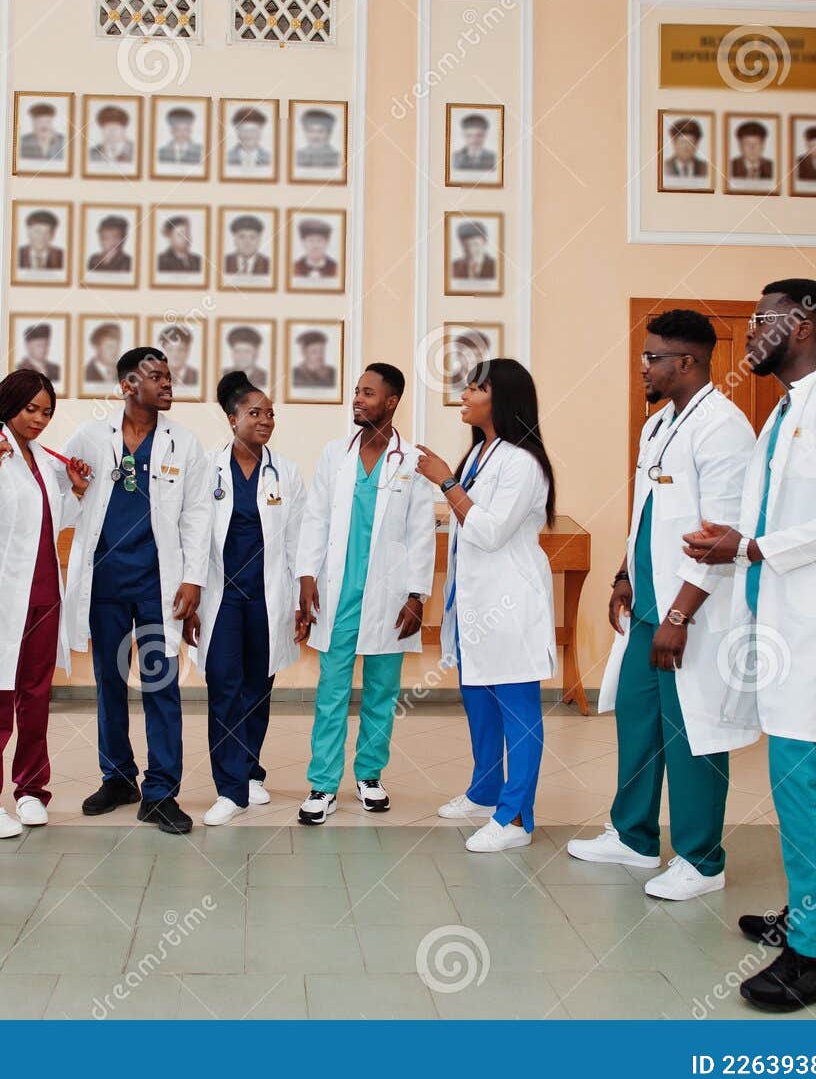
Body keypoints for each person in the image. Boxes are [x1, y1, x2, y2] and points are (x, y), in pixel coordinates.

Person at [680, 279, 816, 1013]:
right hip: (785, 624)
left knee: (801, 778)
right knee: (812, 776)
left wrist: (755, 543)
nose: (753, 332)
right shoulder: (784, 415)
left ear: (803, 324)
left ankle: (812, 963)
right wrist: (730, 543)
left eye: (765, 320)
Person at [567, 310, 757, 898]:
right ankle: (634, 837)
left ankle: (703, 861)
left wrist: (678, 614)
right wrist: (625, 575)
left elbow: (721, 534)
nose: (643, 367)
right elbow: (648, 513)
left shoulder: (723, 428)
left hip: (693, 614)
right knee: (639, 722)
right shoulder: (659, 425)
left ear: (687, 363)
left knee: (695, 732)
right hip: (649, 606)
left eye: (653, 358)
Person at [62, 347, 212, 834]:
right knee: (108, 682)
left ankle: (162, 790)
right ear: (128, 385)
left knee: (159, 684)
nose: (168, 383)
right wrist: (77, 491)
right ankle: (118, 777)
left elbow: (196, 517)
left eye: (169, 376)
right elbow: (65, 502)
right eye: (157, 377)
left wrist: (192, 580)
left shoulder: (183, 444)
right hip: (105, 580)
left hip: (157, 584)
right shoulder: (89, 436)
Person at [416, 358, 556, 852]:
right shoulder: (481, 454)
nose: (463, 396)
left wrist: (444, 482)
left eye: (474, 388)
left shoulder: (522, 462)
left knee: (517, 710)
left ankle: (516, 817)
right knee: (480, 701)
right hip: (474, 605)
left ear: (502, 398)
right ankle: (485, 791)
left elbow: (491, 531)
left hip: (509, 604)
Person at [295, 364, 435, 823]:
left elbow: (420, 533)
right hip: (338, 592)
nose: (358, 399)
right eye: (357, 391)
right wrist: (306, 575)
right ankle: (322, 784)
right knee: (331, 690)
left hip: (389, 597)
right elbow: (315, 518)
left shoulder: (411, 460)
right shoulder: (335, 454)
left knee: (382, 690)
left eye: (368, 393)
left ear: (391, 402)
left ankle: (370, 775)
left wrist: (417, 595)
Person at [0, 370, 92, 837]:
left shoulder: (45, 460)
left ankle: (32, 791)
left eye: (46, 412)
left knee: (36, 699)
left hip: (44, 596)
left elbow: (58, 523)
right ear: (6, 405)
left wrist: (74, 488)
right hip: (0, 598)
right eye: (30, 409)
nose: (39, 419)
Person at [196, 373, 305, 825]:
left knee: (259, 687)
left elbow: (300, 541)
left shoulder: (288, 473)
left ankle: (250, 769)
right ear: (232, 418)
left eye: (270, 413)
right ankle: (229, 789)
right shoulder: (207, 469)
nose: (266, 420)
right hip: (221, 599)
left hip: (268, 597)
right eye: (255, 413)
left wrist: (301, 599)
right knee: (224, 685)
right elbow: (193, 536)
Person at [159, 324, 200, 390]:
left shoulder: (197, 375)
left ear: (187, 351)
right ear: (163, 351)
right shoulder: (156, 375)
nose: (175, 355)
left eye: (180, 349)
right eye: (170, 349)